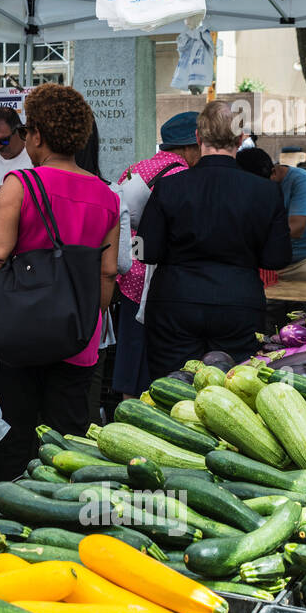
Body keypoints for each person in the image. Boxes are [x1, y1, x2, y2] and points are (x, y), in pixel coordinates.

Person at [0, 84, 120, 482]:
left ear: (36, 135)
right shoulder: (107, 196)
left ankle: (7, 512)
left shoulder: (21, 184)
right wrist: (89, 318)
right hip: (78, 336)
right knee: (67, 437)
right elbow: (107, 272)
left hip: (23, 333)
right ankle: (63, 515)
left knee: (14, 431)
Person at [139, 101, 293, 380]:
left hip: (175, 302)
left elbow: (147, 251)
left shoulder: (169, 187)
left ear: (198, 138)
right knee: (234, 391)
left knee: (170, 390)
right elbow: (277, 259)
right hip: (239, 303)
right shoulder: (266, 192)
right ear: (240, 139)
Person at [110, 112, 202, 400]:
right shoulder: (182, 175)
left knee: (131, 354)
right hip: (161, 280)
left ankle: (126, 416)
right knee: (160, 363)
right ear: (191, 146)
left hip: (131, 274)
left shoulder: (136, 168)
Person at [75, 118, 133, 422]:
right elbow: (121, 264)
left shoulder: (25, 186)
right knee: (84, 400)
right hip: (90, 315)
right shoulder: (112, 194)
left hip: (34, 314)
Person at [237, 147, 306, 286]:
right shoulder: (253, 185)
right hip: (274, 266)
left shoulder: (302, 182)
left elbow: (296, 228)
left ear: (273, 172)